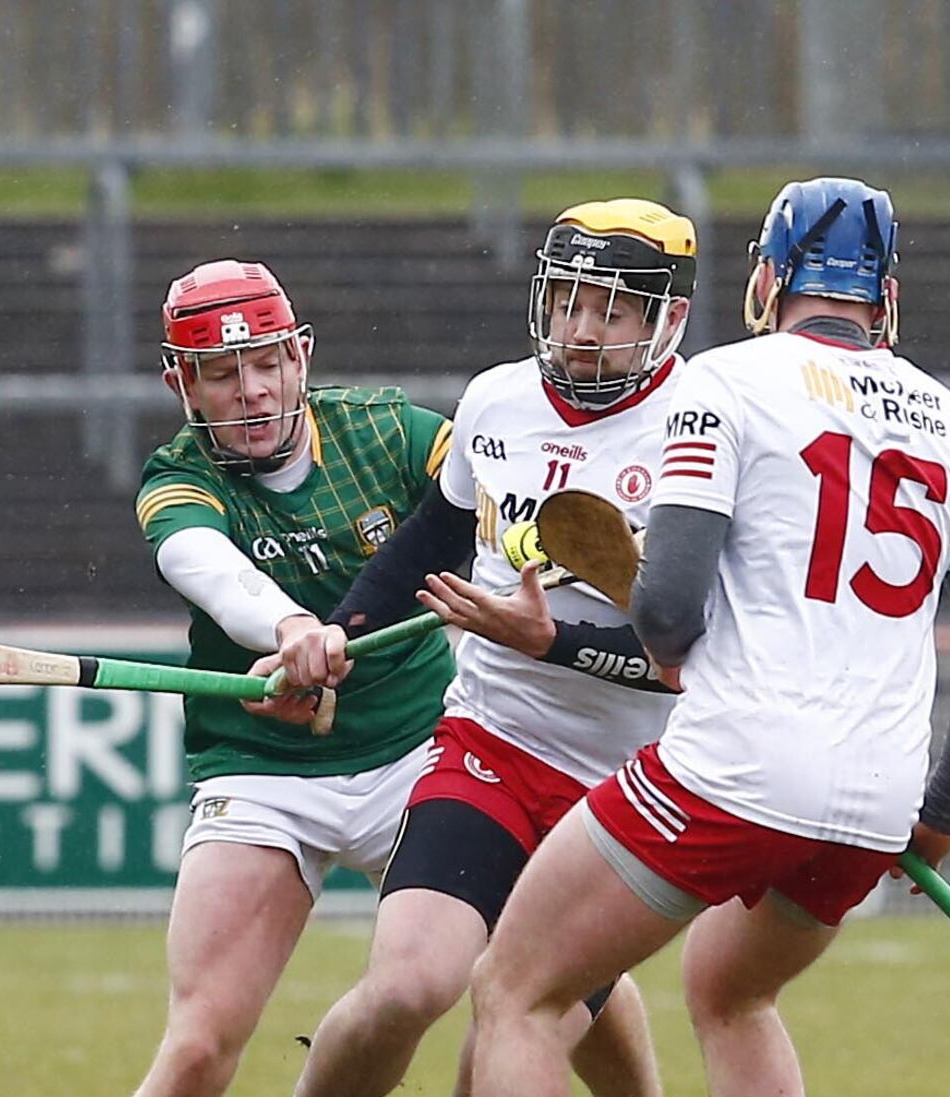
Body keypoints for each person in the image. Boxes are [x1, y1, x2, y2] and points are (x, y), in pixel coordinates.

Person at [466, 177, 950, 1097]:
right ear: (884, 295)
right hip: (879, 796)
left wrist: (659, 644)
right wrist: (938, 819)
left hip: (736, 767)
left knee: (517, 991)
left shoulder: (723, 382)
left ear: (769, 278)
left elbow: (670, 605)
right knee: (731, 993)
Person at [276, 198, 700, 1097]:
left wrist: (553, 641)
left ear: (670, 321)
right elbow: (429, 541)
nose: (581, 329)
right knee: (408, 986)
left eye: (612, 309)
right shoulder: (497, 399)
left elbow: (693, 651)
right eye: (568, 301)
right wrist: (338, 632)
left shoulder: (708, 429)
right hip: (492, 745)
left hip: (629, 791)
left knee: (510, 1028)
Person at [126, 258, 456, 1097]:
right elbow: (205, 566)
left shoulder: (390, 433)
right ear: (182, 383)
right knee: (198, 1046)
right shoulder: (178, 481)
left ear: (300, 357)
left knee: (571, 981)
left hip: (419, 753)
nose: (251, 390)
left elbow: (495, 498)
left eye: (267, 362)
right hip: (263, 771)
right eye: (222, 373)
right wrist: (291, 630)